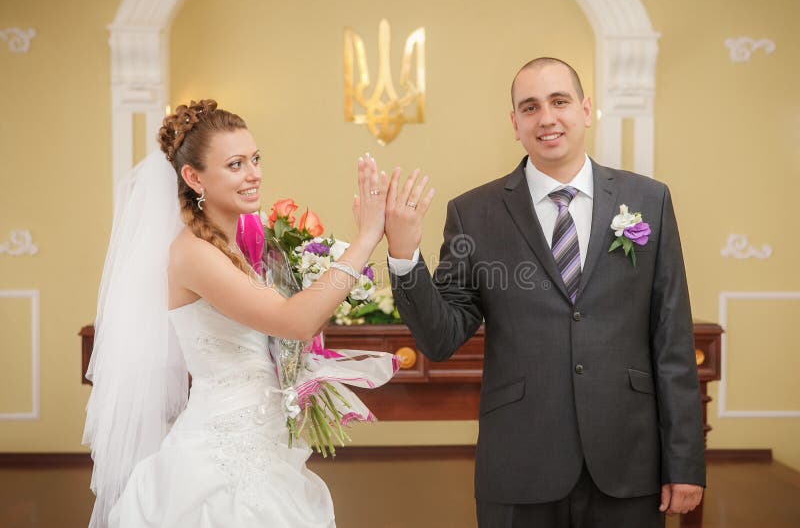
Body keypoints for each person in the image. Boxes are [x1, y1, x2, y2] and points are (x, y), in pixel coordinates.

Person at [384, 58, 706, 527]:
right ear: (515, 124)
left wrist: (684, 462)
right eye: (530, 107)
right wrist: (404, 253)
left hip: (628, 458)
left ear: (586, 109)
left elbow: (672, 339)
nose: (547, 118)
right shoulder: (474, 213)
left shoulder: (649, 201)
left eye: (559, 101)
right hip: (520, 462)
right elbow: (442, 337)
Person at [83, 99, 391, 528]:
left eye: (256, 159)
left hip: (262, 440)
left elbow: (292, 327)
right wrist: (367, 237)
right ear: (194, 177)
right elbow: (295, 320)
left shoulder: (238, 248)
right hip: (221, 456)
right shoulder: (194, 254)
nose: (254, 173)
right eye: (235, 164)